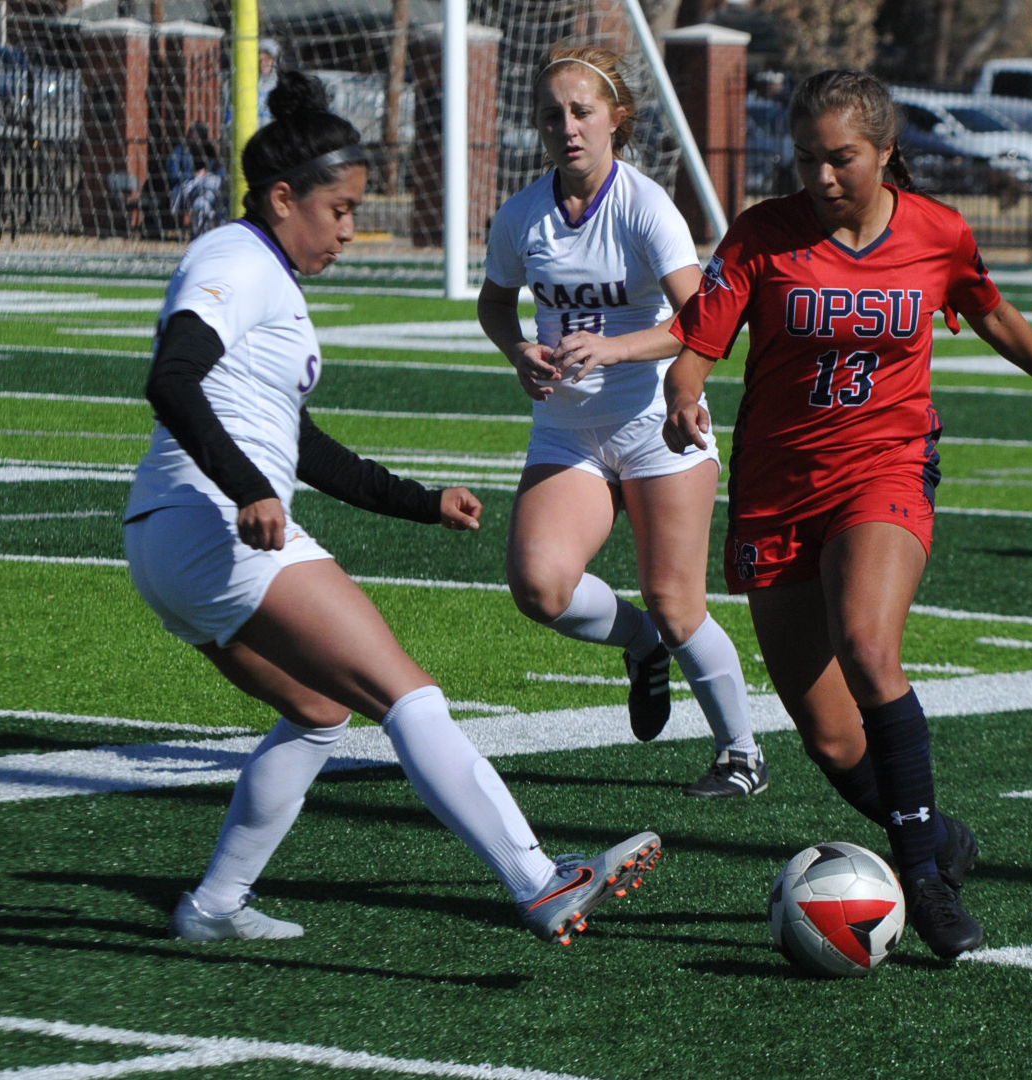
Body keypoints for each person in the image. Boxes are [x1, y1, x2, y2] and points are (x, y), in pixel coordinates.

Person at [126, 72, 661, 947]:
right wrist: (249, 490)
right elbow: (171, 378)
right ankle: (537, 882)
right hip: (211, 524)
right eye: (337, 210)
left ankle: (213, 906)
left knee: (318, 713)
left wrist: (420, 504)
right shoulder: (233, 259)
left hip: (164, 540)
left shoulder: (266, 276)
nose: (348, 228)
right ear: (283, 197)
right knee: (408, 697)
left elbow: (305, 447)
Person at [660, 69, 1032, 959]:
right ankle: (939, 835)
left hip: (885, 469)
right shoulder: (760, 236)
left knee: (868, 646)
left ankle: (925, 884)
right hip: (778, 490)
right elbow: (697, 345)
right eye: (808, 160)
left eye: (842, 160)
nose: (822, 178)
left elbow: (986, 306)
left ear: (886, 151)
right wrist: (682, 397)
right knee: (827, 735)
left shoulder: (936, 231)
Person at [477, 44, 767, 798]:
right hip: (568, 429)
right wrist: (518, 352)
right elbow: (494, 301)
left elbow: (705, 317)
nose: (566, 126)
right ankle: (639, 646)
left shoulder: (643, 205)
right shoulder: (522, 215)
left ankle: (741, 751)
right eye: (552, 114)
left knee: (678, 603)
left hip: (655, 422)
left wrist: (612, 348)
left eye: (581, 111)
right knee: (540, 586)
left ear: (617, 119)